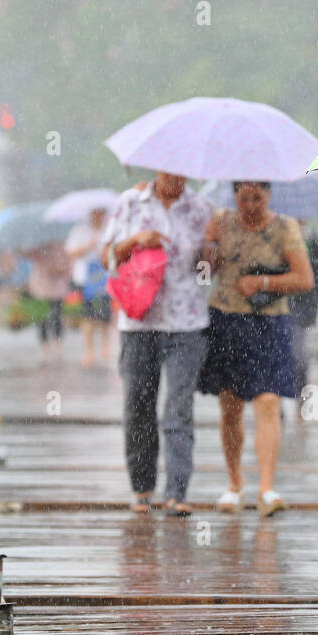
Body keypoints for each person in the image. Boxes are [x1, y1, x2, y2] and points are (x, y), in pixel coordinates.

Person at [198, 181, 314, 517]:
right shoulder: (221, 221)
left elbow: (304, 280)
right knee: (230, 407)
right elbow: (202, 275)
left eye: (258, 197)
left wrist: (262, 283)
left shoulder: (284, 227)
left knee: (268, 401)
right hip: (226, 321)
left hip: (269, 323)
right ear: (234, 195)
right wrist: (207, 244)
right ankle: (235, 484)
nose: (252, 204)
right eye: (245, 197)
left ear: (269, 193)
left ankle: (266, 487)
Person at [101, 173, 212, 516]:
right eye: (169, 171)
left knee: (178, 409)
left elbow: (206, 273)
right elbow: (107, 259)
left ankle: (177, 492)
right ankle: (142, 488)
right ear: (157, 169)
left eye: (182, 172)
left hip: (186, 322)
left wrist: (211, 251)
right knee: (138, 405)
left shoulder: (202, 209)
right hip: (139, 322)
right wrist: (135, 241)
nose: (176, 178)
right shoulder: (129, 203)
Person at [65, 207, 113, 367]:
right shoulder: (80, 230)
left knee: (105, 314)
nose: (98, 216)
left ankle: (105, 344)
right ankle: (89, 350)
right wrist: (87, 247)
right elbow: (70, 252)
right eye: (95, 212)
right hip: (84, 278)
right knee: (87, 315)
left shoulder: (109, 229)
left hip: (105, 277)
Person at [288, 220, 318, 394]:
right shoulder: (277, 236)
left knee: (298, 355)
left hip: (301, 307)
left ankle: (300, 397)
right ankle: (275, 406)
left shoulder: (311, 240)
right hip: (277, 304)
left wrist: (312, 308)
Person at [22, 240, 71, 360]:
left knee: (56, 316)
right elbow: (27, 257)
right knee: (42, 318)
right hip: (40, 289)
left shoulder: (61, 248)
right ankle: (45, 346)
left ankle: (58, 344)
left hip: (57, 289)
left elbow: (67, 266)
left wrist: (56, 270)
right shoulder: (37, 248)